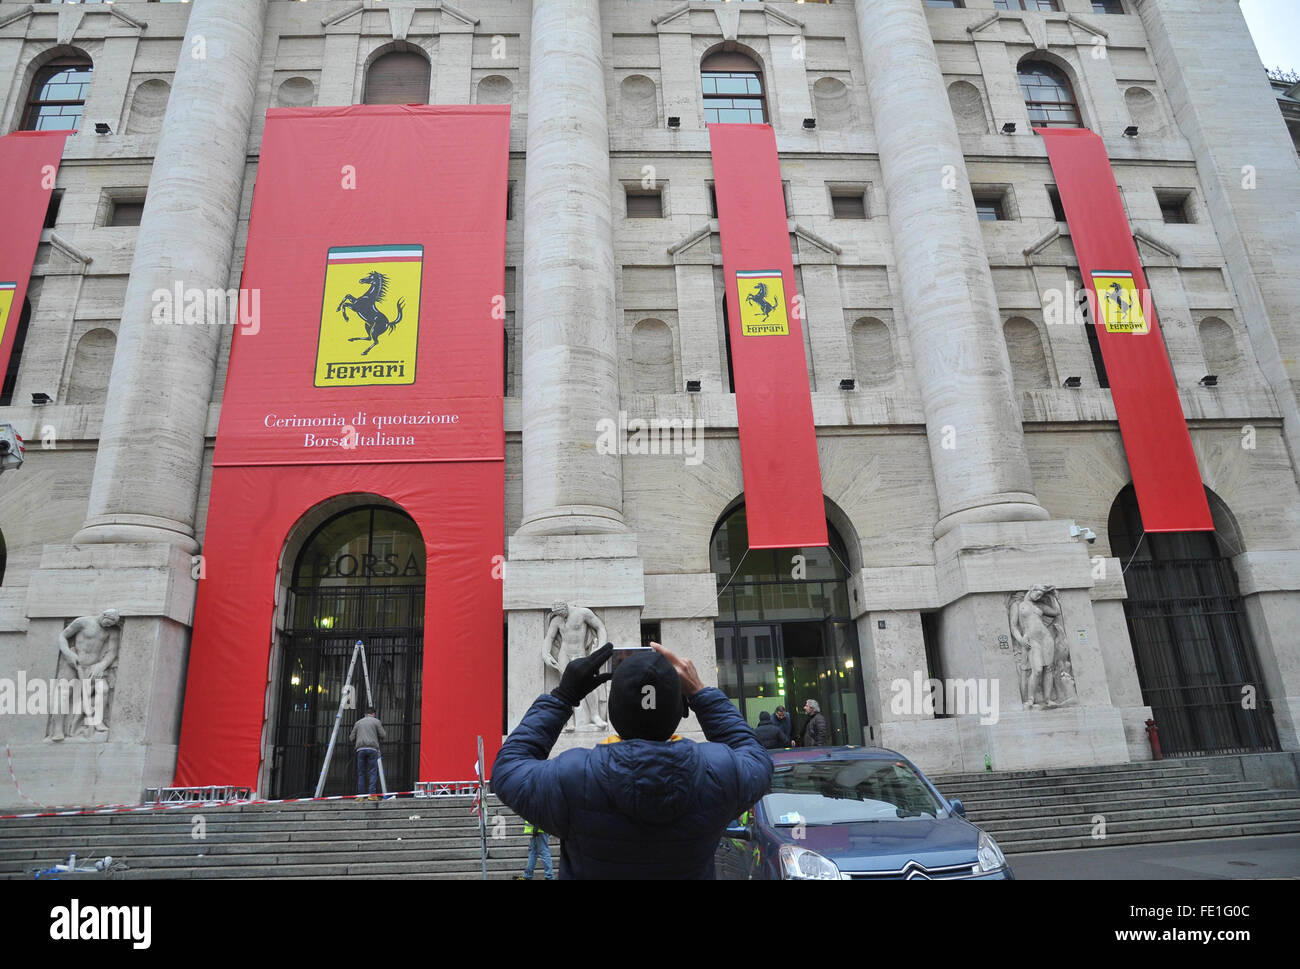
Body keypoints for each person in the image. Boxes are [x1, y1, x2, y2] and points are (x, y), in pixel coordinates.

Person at [492, 641, 773, 879]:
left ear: (613, 713)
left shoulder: (572, 776)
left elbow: (507, 769)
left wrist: (563, 697)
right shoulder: (720, 771)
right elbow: (756, 756)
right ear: (681, 710)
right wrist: (700, 692)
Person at [350, 707, 385, 800]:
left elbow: (351, 737)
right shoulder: (376, 721)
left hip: (360, 750)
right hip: (372, 749)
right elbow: (383, 735)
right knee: (373, 772)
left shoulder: (358, 723)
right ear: (373, 714)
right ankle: (372, 795)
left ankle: (361, 796)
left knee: (361, 773)